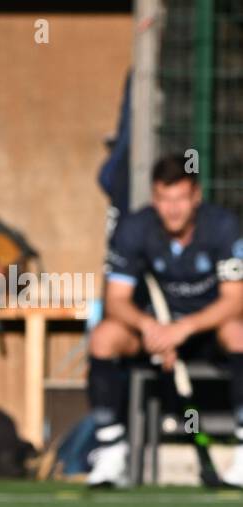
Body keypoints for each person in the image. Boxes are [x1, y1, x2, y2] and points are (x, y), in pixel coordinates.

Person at [86, 154, 243, 488]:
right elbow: (116, 300)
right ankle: (112, 448)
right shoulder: (134, 228)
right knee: (104, 337)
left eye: (180, 199)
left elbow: (235, 300)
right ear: (154, 198)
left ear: (196, 197)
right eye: (164, 199)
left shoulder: (223, 227)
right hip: (154, 332)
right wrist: (151, 328)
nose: (172, 209)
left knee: (239, 333)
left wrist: (182, 330)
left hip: (207, 332)